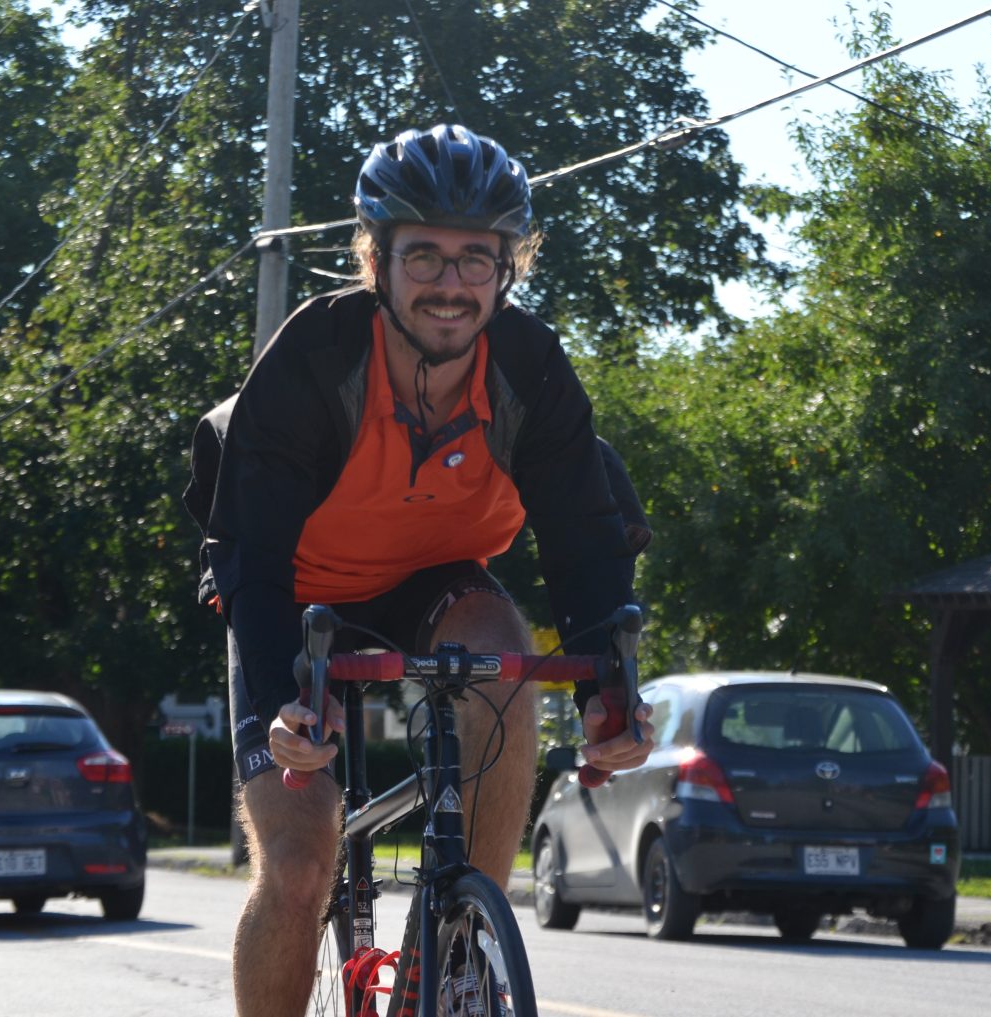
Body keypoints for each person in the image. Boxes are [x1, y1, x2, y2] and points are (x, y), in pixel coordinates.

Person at [194, 124, 655, 1017]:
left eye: (476, 259)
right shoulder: (314, 362)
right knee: (296, 869)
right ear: (376, 260)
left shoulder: (529, 370)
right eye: (426, 256)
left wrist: (610, 688)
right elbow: (252, 555)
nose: (451, 283)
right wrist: (293, 697)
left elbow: (585, 539)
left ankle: (459, 948)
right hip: (295, 591)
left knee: (501, 647)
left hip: (437, 575)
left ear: (508, 267)